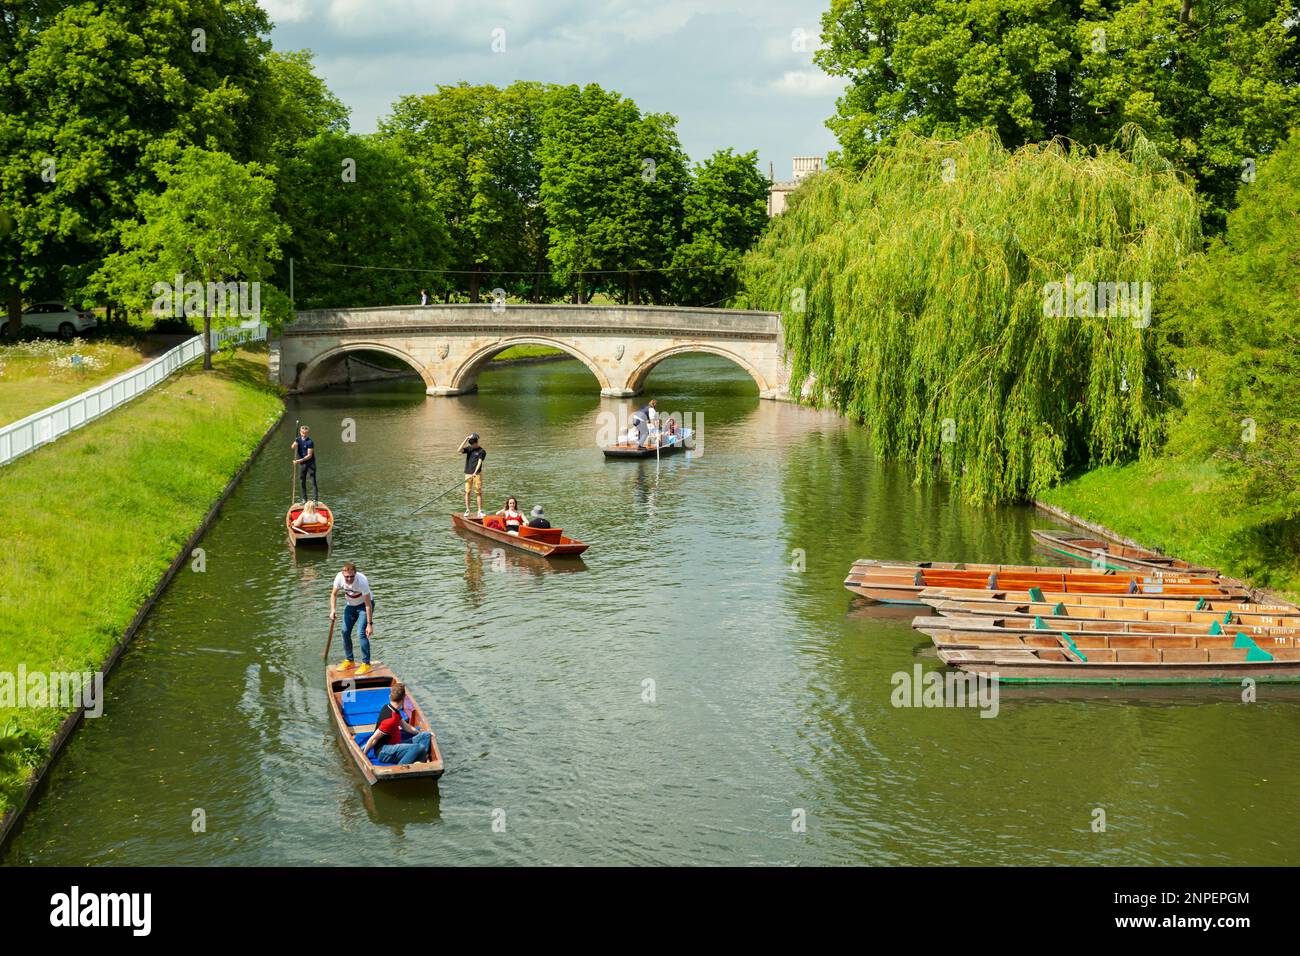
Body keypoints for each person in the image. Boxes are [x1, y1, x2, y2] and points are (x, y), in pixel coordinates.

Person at [362, 682, 432, 766]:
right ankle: (401, 767)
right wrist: (364, 755)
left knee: (425, 736)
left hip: (396, 744)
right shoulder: (390, 720)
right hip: (384, 751)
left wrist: (420, 733)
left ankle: (420, 760)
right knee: (418, 747)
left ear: (390, 697)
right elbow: (374, 739)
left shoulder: (392, 709)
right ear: (404, 699)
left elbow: (406, 727)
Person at [330, 561, 375, 675]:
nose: (349, 579)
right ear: (342, 573)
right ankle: (349, 660)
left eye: (352, 576)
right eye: (347, 577)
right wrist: (333, 610)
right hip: (350, 605)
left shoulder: (362, 581)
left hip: (364, 607)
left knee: (361, 633)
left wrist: (370, 624)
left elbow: (368, 604)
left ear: (355, 573)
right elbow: (334, 594)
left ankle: (366, 664)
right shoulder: (339, 578)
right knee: (344, 631)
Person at [459, 433, 486, 517]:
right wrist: (466, 439)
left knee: (478, 492)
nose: (471, 444)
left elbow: (479, 462)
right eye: (470, 443)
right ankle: (467, 510)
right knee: (467, 492)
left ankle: (479, 511)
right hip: (468, 474)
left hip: (477, 474)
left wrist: (475, 472)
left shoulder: (482, 451)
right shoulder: (469, 449)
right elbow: (459, 450)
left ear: (476, 442)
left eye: (472, 443)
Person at [291, 424, 318, 502]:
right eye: (302, 432)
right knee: (302, 481)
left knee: (313, 480)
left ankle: (315, 500)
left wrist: (298, 461)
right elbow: (292, 447)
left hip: (310, 464)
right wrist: (295, 444)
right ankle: (304, 499)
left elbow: (309, 455)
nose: (304, 434)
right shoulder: (298, 440)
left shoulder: (310, 442)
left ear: (307, 433)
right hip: (303, 464)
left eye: (305, 433)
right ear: (300, 432)